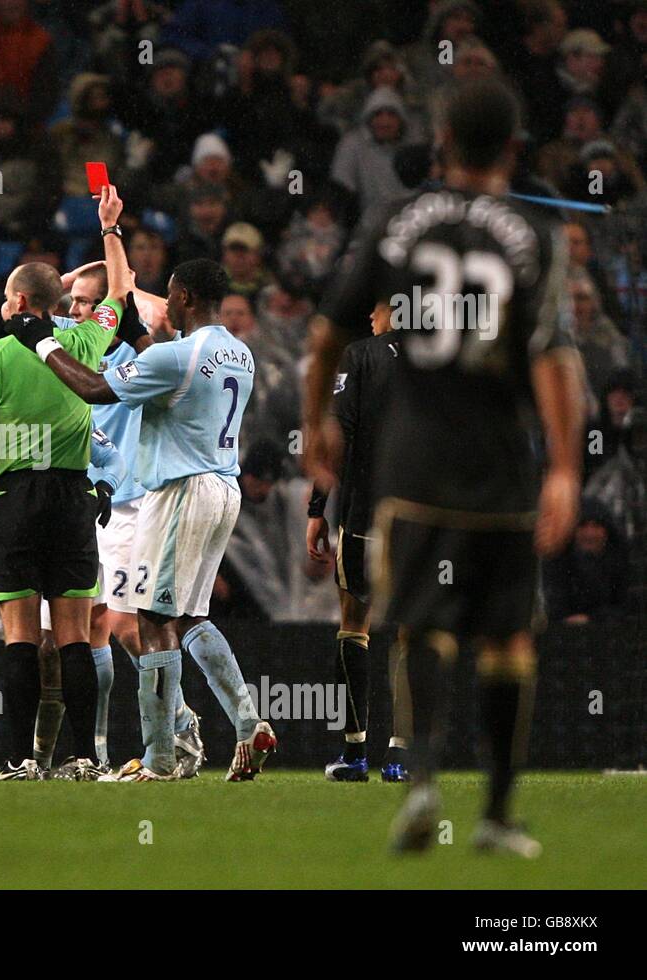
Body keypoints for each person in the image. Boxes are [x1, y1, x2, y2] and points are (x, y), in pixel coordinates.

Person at [304, 78, 585, 857]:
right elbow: (554, 356)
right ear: (515, 151)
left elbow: (327, 330)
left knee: (421, 622)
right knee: (507, 640)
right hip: (501, 466)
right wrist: (565, 465)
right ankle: (496, 815)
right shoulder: (532, 232)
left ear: (440, 146)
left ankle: (420, 780)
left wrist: (312, 422)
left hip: (413, 466)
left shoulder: (396, 223)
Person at [26, 258, 276, 782]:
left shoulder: (177, 356)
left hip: (180, 491)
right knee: (189, 618)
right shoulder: (239, 353)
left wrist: (44, 345)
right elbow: (162, 369)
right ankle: (249, 723)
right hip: (222, 489)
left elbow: (95, 388)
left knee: (152, 621)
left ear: (183, 297)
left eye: (169, 294)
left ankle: (161, 758)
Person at [0, 185, 128, 781]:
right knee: (73, 637)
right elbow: (120, 292)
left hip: (13, 502)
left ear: (17, 300)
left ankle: (20, 762)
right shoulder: (85, 339)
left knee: (18, 637)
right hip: (73, 498)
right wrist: (109, 229)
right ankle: (88, 758)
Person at [305, 301, 412, 783]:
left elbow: (338, 433)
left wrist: (316, 509)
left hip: (366, 512)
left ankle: (354, 754)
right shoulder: (439, 359)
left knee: (355, 624)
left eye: (375, 303)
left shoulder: (360, 355)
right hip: (421, 517)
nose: (369, 313)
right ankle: (402, 756)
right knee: (412, 631)